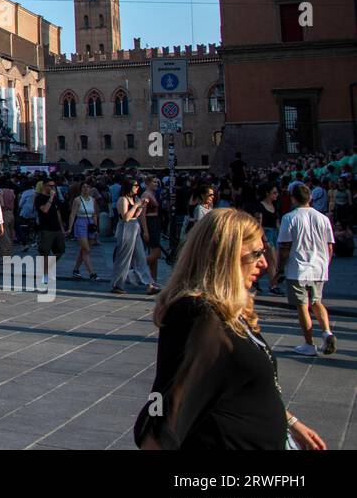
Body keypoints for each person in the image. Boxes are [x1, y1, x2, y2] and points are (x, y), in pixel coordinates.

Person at [134, 208, 325, 450]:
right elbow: (163, 405)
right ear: (225, 255)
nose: (264, 263)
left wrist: (290, 421)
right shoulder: (198, 315)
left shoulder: (228, 309)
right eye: (255, 254)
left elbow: (241, 381)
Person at [277, 186, 337, 357]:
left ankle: (309, 344)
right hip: (318, 265)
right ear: (310, 197)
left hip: (298, 267)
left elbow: (284, 247)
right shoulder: (323, 218)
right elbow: (330, 246)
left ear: (293, 199)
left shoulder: (289, 218)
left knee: (302, 306)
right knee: (317, 301)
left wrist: (280, 269)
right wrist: (326, 263)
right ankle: (327, 332)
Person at [112, 179, 158, 295]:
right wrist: (137, 205)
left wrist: (142, 206)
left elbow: (136, 215)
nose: (138, 187)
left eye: (138, 185)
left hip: (135, 227)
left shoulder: (135, 199)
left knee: (141, 256)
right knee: (124, 258)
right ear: (129, 187)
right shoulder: (123, 199)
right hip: (125, 229)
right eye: (135, 185)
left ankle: (149, 284)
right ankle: (117, 284)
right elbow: (126, 217)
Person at [34, 180, 66, 286]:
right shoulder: (39, 198)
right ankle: (45, 275)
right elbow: (45, 210)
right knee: (45, 253)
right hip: (46, 229)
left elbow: (58, 213)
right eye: (50, 186)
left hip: (56, 228)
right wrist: (51, 198)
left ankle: (48, 268)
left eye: (54, 186)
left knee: (60, 251)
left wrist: (62, 228)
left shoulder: (55, 198)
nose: (52, 188)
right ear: (44, 186)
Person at [67, 183, 99, 281]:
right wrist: (70, 228)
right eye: (84, 187)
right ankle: (92, 273)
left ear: (90, 189)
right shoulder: (77, 200)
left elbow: (94, 214)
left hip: (90, 224)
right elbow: (72, 214)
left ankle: (76, 270)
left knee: (84, 249)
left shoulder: (93, 200)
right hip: (80, 222)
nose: (86, 189)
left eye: (88, 187)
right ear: (80, 189)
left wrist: (96, 227)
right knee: (86, 249)